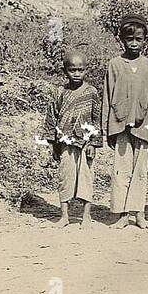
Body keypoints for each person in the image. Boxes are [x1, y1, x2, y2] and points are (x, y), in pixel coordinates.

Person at [102, 15, 148, 227]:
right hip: (120, 124)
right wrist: (108, 128)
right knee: (121, 169)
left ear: (145, 40)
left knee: (141, 170)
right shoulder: (115, 65)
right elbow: (107, 97)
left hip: (143, 126)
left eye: (138, 39)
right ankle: (122, 214)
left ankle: (139, 213)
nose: (134, 43)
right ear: (122, 40)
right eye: (129, 39)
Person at [41, 49, 104, 227]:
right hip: (65, 142)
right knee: (65, 177)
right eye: (72, 70)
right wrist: (53, 144)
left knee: (86, 177)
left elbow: (96, 118)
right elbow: (51, 118)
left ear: (86, 70)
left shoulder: (91, 92)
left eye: (80, 70)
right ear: (65, 71)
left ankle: (86, 216)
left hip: (86, 143)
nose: (76, 74)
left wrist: (94, 142)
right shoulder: (59, 92)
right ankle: (65, 216)